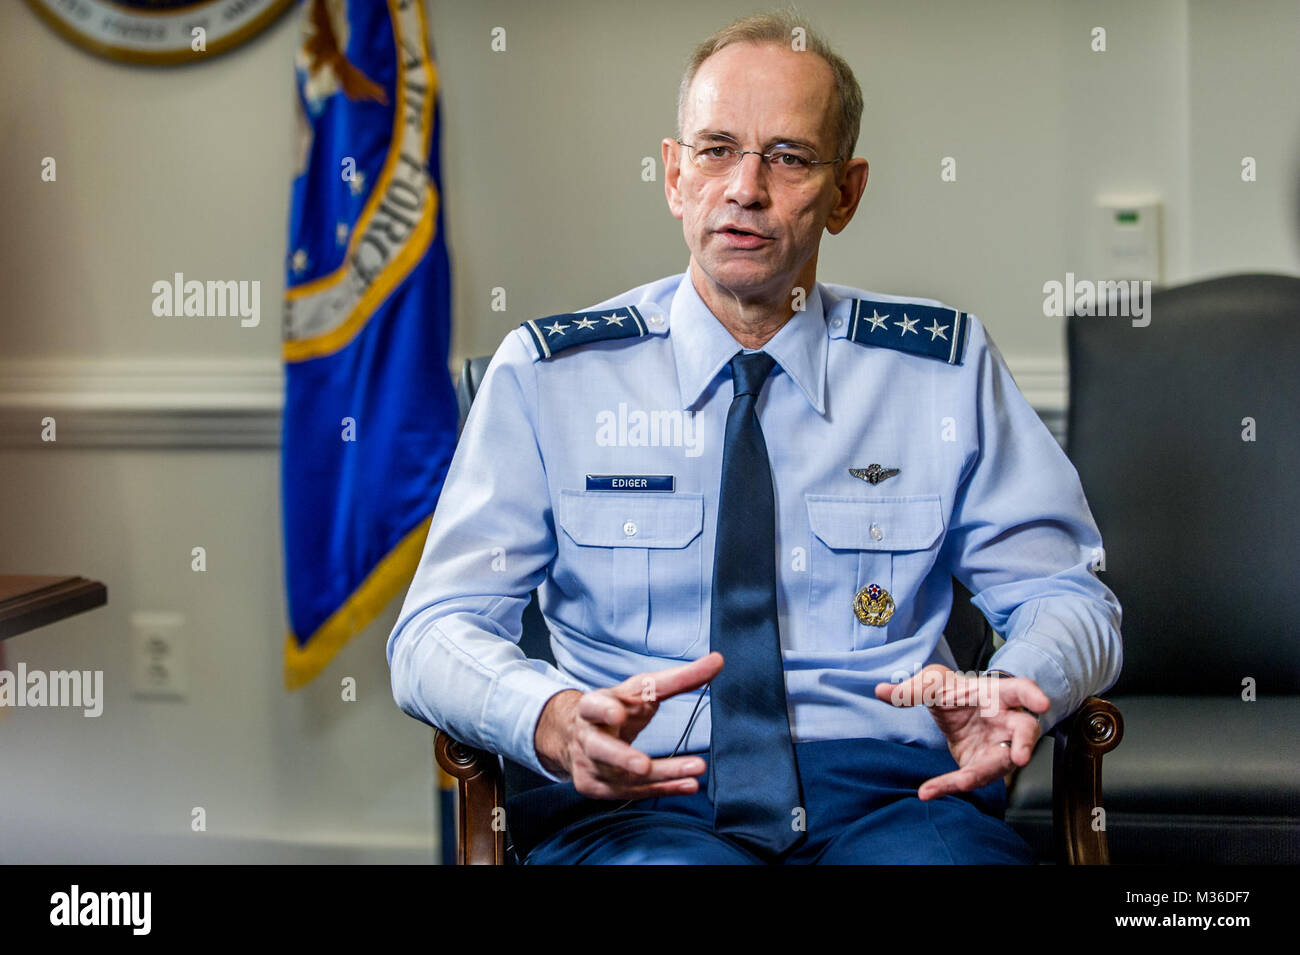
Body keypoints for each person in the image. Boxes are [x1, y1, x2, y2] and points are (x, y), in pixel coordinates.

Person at [387, 11, 1122, 864]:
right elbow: (433, 629)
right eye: (715, 150)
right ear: (673, 176)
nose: (745, 186)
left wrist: (1016, 684)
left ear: (846, 192)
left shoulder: (940, 373)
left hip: (891, 795)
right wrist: (545, 717)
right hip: (639, 798)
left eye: (789, 157)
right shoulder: (551, 376)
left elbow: (1071, 596)